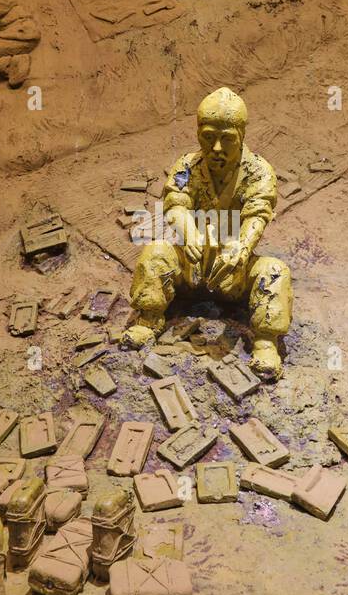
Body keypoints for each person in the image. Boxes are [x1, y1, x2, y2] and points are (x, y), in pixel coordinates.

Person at [121, 88, 292, 380]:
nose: (216, 148)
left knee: (274, 272)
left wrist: (240, 248)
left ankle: (265, 343)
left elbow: (258, 211)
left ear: (242, 134)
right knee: (156, 253)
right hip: (192, 263)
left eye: (226, 139)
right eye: (208, 136)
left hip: (233, 270)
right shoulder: (187, 166)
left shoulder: (259, 172)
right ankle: (148, 320)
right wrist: (188, 233)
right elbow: (175, 201)